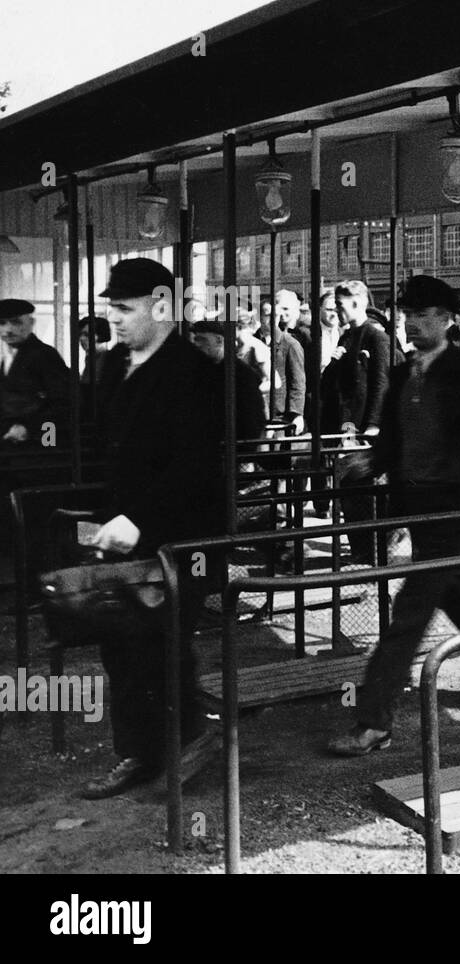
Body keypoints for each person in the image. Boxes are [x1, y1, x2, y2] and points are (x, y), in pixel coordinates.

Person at [327, 275, 460, 756]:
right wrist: (372, 462)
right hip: (416, 505)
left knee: (409, 614)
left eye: (424, 317)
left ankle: (373, 721)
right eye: (408, 316)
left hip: (452, 507)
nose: (413, 325)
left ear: (446, 320)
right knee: (458, 594)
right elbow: (395, 441)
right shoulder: (405, 374)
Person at [79, 258, 223, 797]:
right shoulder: (116, 366)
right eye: (110, 307)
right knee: (124, 642)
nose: (113, 318)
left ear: (162, 305)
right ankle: (152, 748)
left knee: (157, 640)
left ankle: (175, 743)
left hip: (179, 537)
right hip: (122, 532)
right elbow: (104, 448)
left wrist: (138, 521)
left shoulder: (195, 373)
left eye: (124, 308)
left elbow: (195, 466)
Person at [333, 281, 391, 564]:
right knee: (348, 487)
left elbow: (381, 381)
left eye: (340, 305)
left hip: (365, 425)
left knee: (365, 489)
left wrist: (374, 424)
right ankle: (359, 548)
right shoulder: (346, 337)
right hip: (348, 424)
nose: (336, 310)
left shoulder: (375, 336)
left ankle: (373, 550)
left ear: (357, 304)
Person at [0, 298, 70, 447]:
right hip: (15, 441)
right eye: (2, 323)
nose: (8, 330)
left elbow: (63, 403)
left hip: (36, 445)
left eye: (16, 322)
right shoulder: (9, 356)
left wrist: (30, 430)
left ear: (31, 323)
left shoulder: (45, 355)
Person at [189, 316, 267, 441]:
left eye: (202, 340)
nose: (197, 345)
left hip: (232, 446)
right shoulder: (201, 369)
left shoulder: (240, 374)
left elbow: (252, 419)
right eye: (195, 340)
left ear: (219, 341)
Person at [269, 291, 307, 434]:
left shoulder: (291, 343)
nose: (281, 314)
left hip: (281, 412)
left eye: (285, 309)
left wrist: (297, 413)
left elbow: (297, 380)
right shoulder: (260, 339)